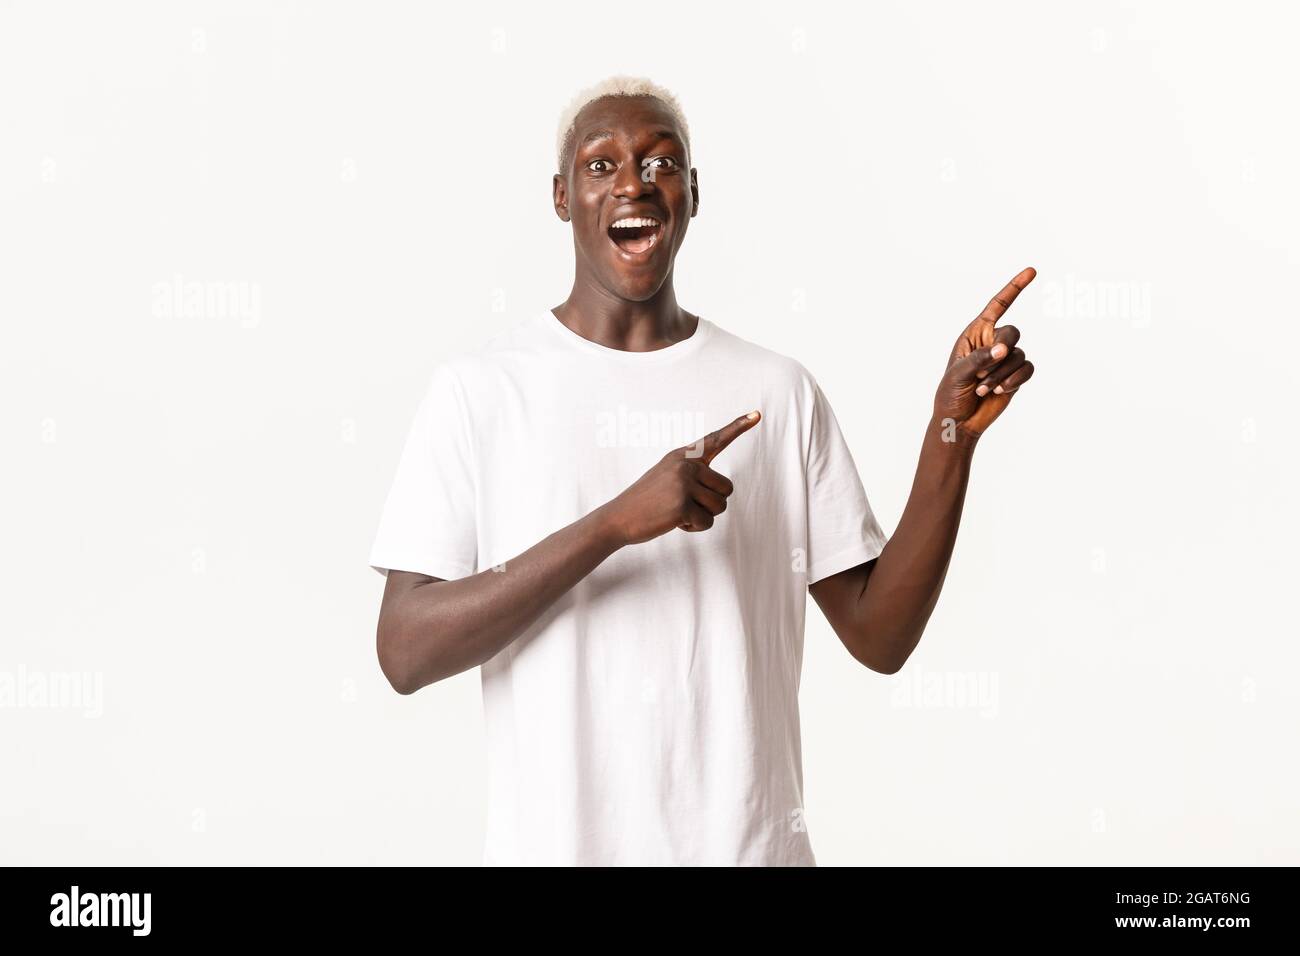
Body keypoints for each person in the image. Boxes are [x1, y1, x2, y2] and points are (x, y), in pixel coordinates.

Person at [368, 76, 1037, 866]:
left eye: (661, 163)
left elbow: (880, 635)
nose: (634, 183)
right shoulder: (480, 393)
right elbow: (405, 651)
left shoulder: (776, 389)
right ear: (559, 196)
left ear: (691, 193)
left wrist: (949, 435)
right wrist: (617, 522)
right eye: (600, 164)